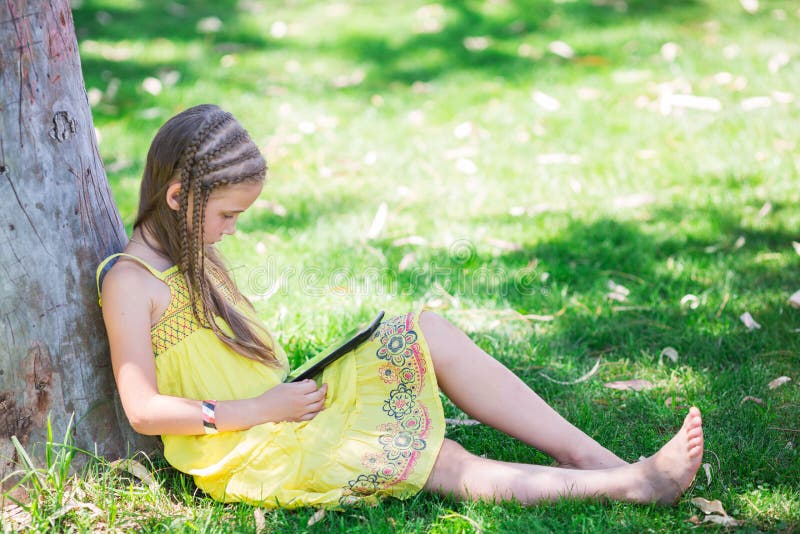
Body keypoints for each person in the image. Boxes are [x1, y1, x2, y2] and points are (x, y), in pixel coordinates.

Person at [96, 104, 704, 509]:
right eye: (228, 214)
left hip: (285, 408)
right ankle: (630, 486)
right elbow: (144, 409)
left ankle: (588, 456)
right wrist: (262, 407)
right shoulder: (130, 281)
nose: (231, 229)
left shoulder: (196, 257)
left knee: (425, 331)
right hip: (256, 448)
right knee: (431, 456)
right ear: (179, 196)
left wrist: (287, 396)